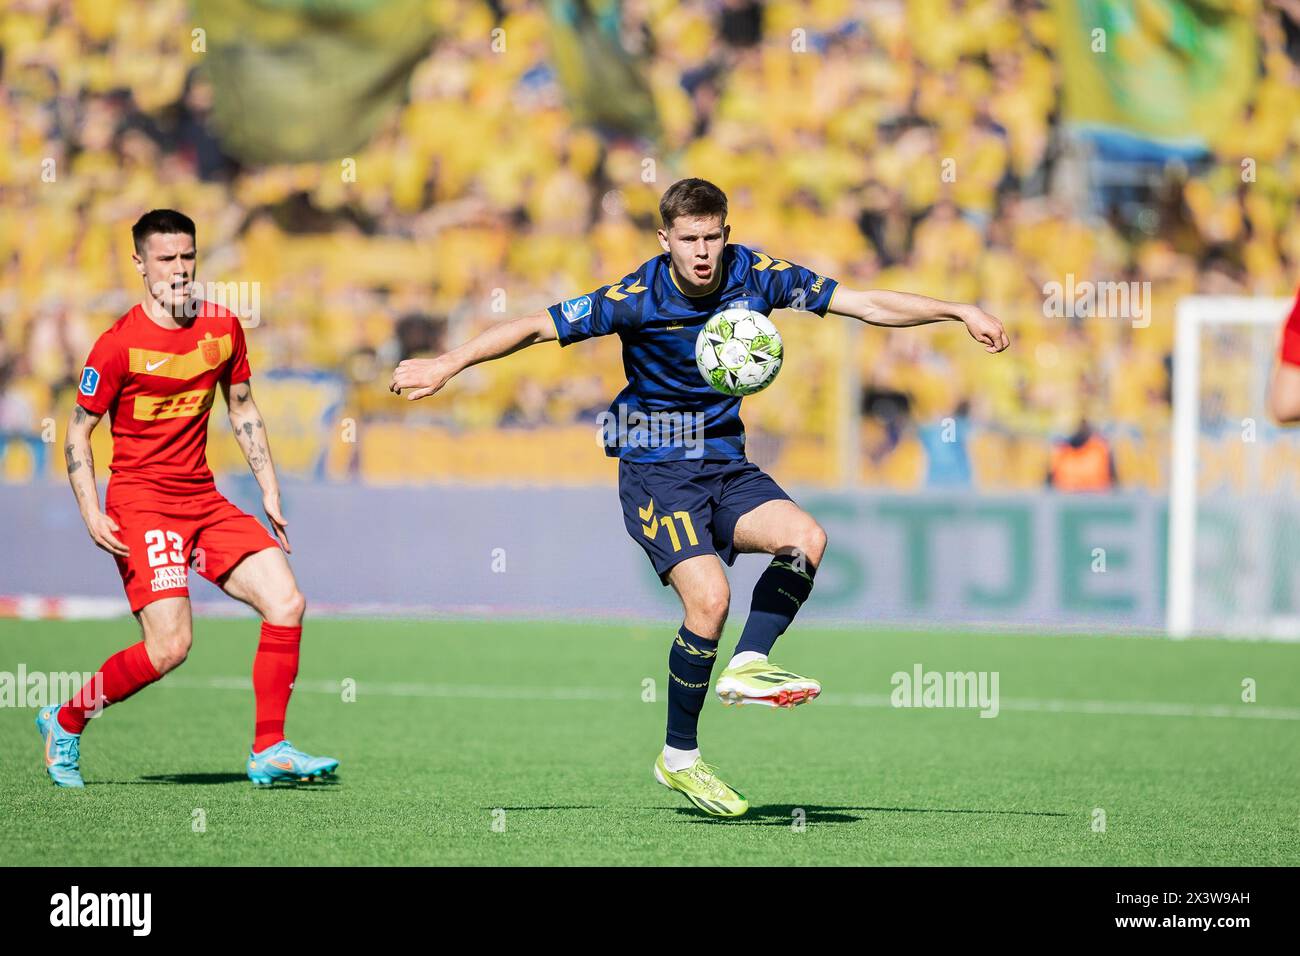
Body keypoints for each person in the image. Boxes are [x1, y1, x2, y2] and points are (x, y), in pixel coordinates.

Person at [390, 179, 1009, 816]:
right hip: (655, 465)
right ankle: (679, 758)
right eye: (689, 240)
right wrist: (446, 364)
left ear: (726, 234)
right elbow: (533, 328)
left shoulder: (757, 274)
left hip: (723, 460)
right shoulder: (636, 296)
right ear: (666, 241)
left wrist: (956, 309)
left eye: (713, 236)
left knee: (807, 539)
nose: (703, 251)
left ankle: (747, 664)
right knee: (710, 599)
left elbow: (864, 303)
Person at [39, 209, 338, 788]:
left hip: (202, 498)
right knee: (171, 646)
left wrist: (271, 489)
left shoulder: (223, 328)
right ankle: (65, 719)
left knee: (287, 602)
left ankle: (269, 749)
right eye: (165, 259)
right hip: (141, 504)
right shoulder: (117, 345)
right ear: (140, 265)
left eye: (187, 257)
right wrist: (91, 510)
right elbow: (78, 432)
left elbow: (243, 407)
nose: (179, 270)